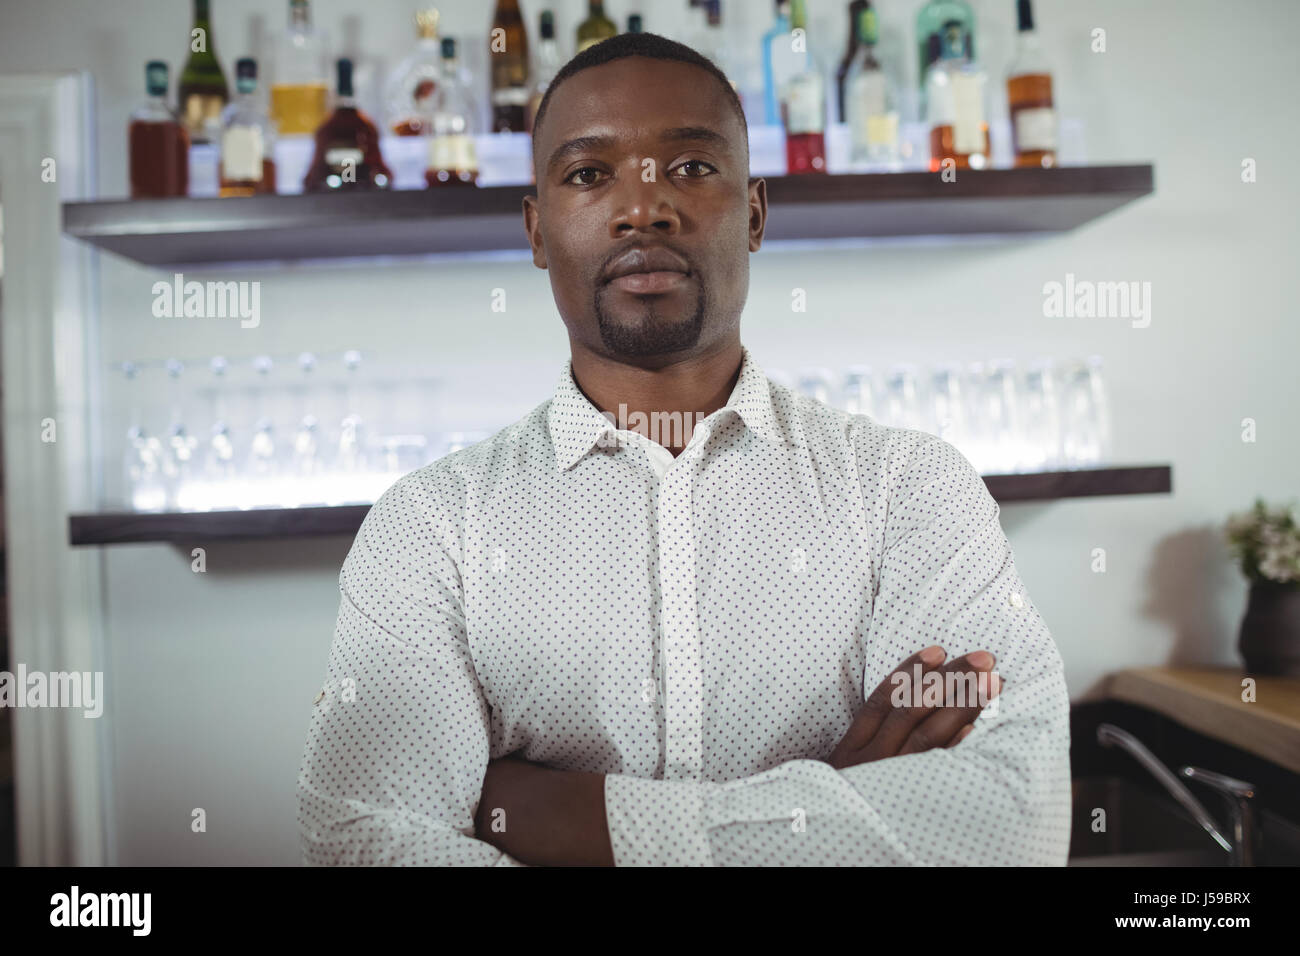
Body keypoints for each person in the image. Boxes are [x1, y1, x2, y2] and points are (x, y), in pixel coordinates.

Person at [296, 32, 1070, 866]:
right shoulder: (430, 527)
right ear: (535, 230)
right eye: (590, 175)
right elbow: (363, 838)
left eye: (693, 168)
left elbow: (1010, 824)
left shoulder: (910, 490)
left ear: (757, 214)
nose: (645, 208)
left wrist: (541, 812)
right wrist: (824, 812)